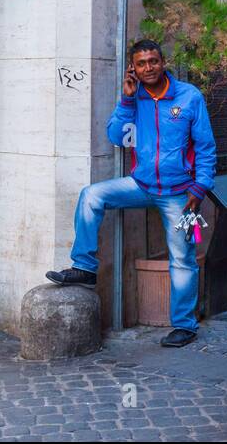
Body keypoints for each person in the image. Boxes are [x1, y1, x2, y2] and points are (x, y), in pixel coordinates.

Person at [46, 39, 216, 347]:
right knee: (91, 196)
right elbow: (115, 137)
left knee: (182, 258)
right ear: (132, 68)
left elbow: (206, 147)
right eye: (141, 63)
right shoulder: (134, 97)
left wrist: (200, 187)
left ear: (163, 62)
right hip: (141, 185)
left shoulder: (189, 97)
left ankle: (185, 326)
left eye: (153, 61)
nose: (148, 67)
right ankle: (84, 267)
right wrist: (125, 101)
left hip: (180, 193)